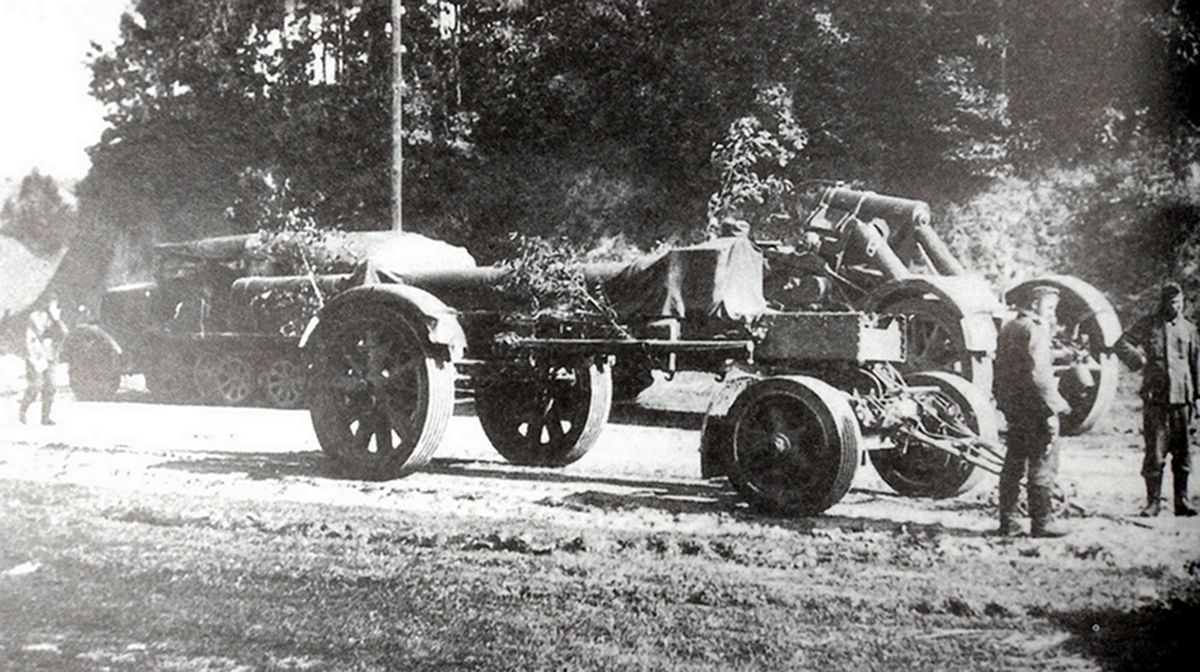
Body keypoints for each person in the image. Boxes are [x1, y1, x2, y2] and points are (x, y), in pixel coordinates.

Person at [1114, 282, 1199, 517]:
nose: (1177, 307)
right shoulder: (1149, 324)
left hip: (1183, 398)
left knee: (1183, 453)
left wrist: (1198, 397)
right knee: (1155, 453)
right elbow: (1121, 344)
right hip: (1156, 399)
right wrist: (1138, 360)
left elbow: (1195, 364)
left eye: (1180, 303)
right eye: (1172, 303)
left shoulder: (1189, 329)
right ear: (1163, 303)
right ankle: (1153, 503)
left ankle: (1182, 502)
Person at [994, 285, 1071, 537]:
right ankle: (1042, 522)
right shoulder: (1035, 328)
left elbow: (1002, 372)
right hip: (1036, 408)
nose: (1052, 314)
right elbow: (1039, 376)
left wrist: (1006, 405)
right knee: (1042, 463)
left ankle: (1009, 522)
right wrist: (1054, 408)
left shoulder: (1009, 327)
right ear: (1036, 304)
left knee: (1013, 463)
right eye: (1049, 307)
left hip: (1015, 407)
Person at [19, 292, 68, 426]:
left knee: (51, 387)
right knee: (35, 387)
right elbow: (33, 338)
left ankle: (45, 417)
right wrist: (35, 357)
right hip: (36, 356)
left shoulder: (56, 319)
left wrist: (57, 320)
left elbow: (64, 334)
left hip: (50, 356)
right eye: (51, 302)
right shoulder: (35, 317)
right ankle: (22, 411)